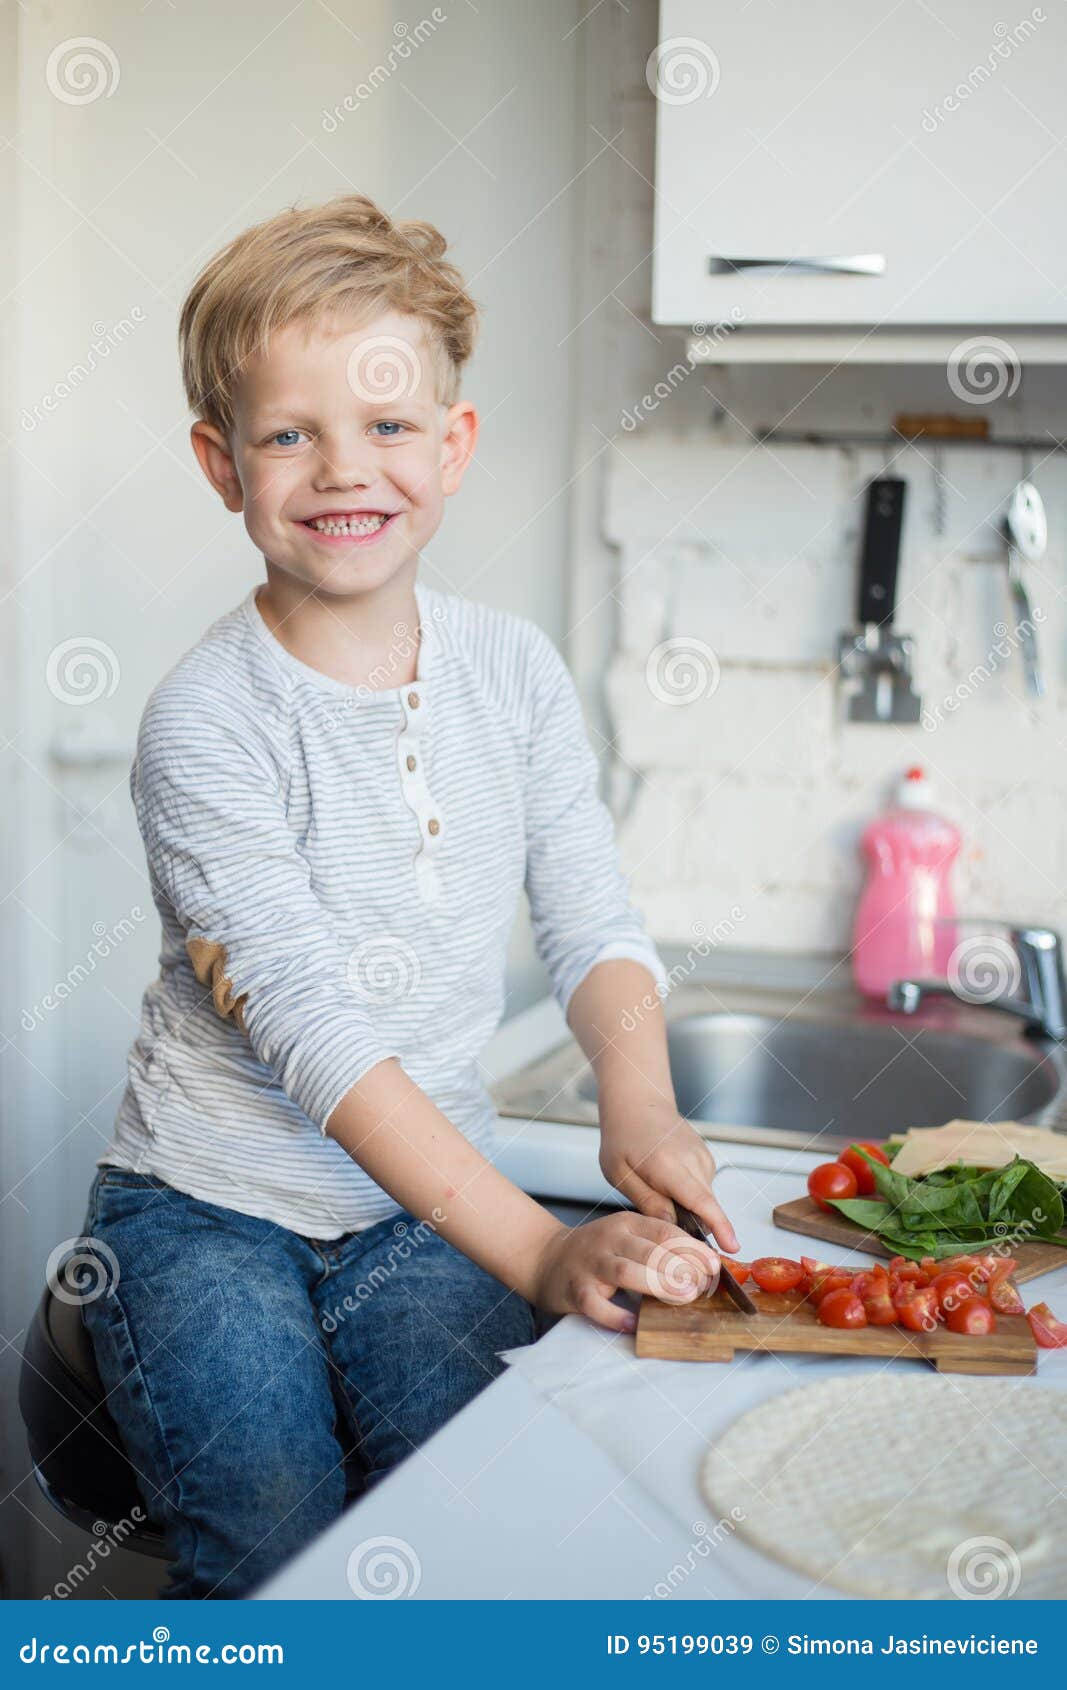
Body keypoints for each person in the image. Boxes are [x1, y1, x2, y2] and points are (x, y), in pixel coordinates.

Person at [78, 193, 736, 1598]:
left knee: (467, 1525)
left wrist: (645, 1101)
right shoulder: (206, 721)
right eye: (287, 433)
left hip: (416, 1220)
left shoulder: (516, 672)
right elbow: (313, 1030)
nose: (341, 470)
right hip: (207, 1209)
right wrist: (548, 1245)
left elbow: (590, 913)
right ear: (221, 461)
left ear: (455, 444)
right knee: (277, 1545)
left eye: (386, 426)